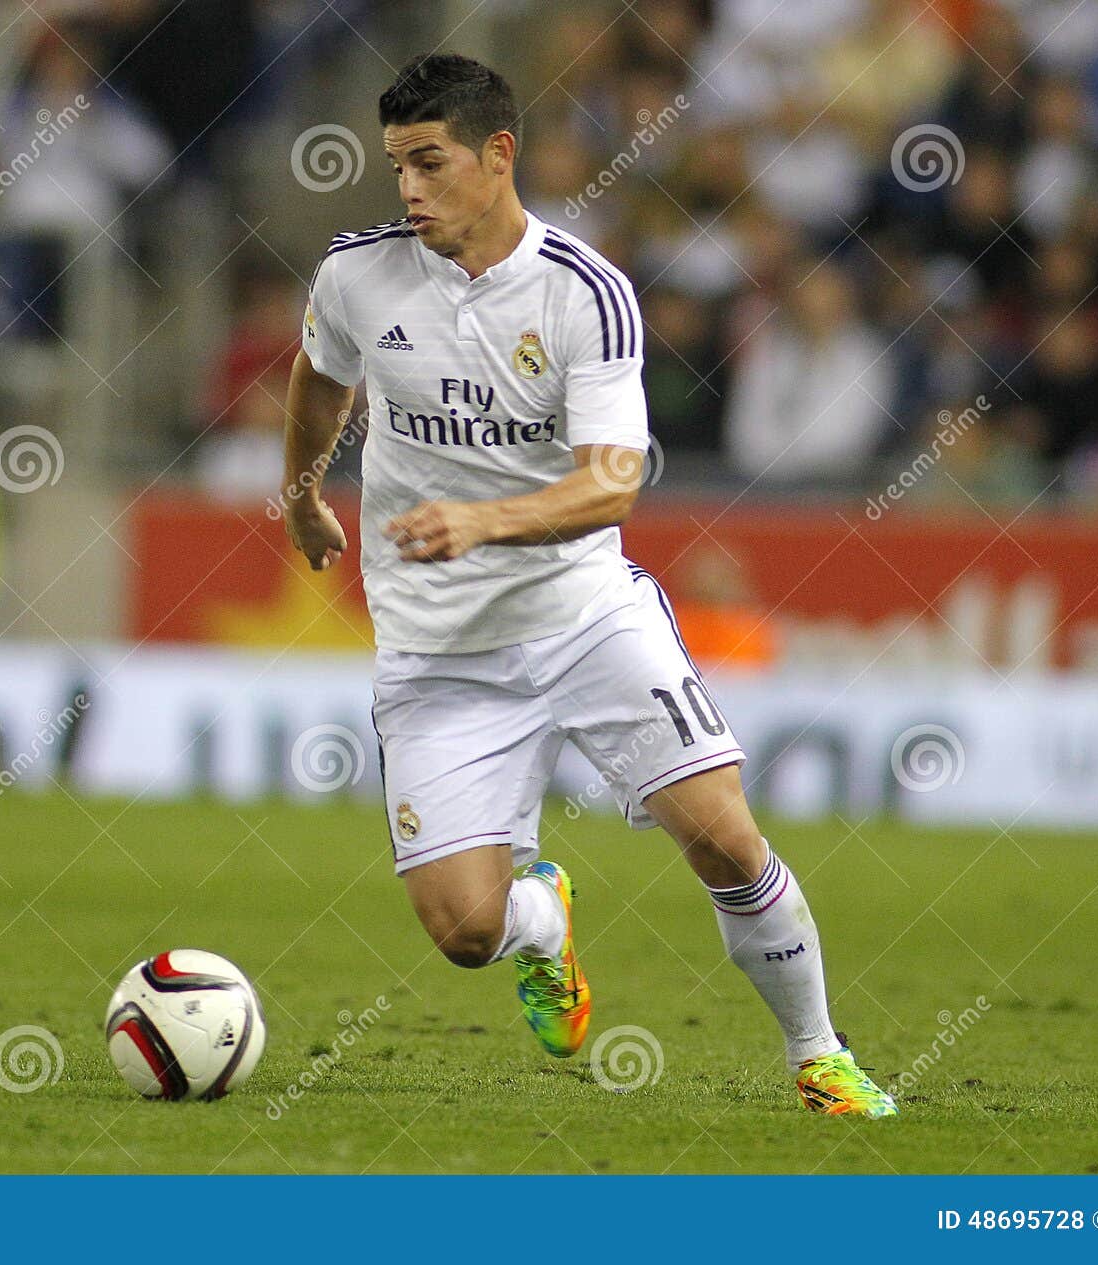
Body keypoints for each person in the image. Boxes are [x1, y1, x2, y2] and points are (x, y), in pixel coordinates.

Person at [280, 52, 896, 1117]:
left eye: (429, 163)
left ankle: (818, 1054)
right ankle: (541, 919)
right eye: (397, 168)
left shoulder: (585, 292)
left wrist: (480, 518)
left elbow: (611, 485)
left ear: (498, 154)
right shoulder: (355, 275)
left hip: (581, 616)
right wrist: (298, 492)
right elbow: (319, 377)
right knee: (463, 931)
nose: (410, 189)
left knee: (720, 832)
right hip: (435, 650)